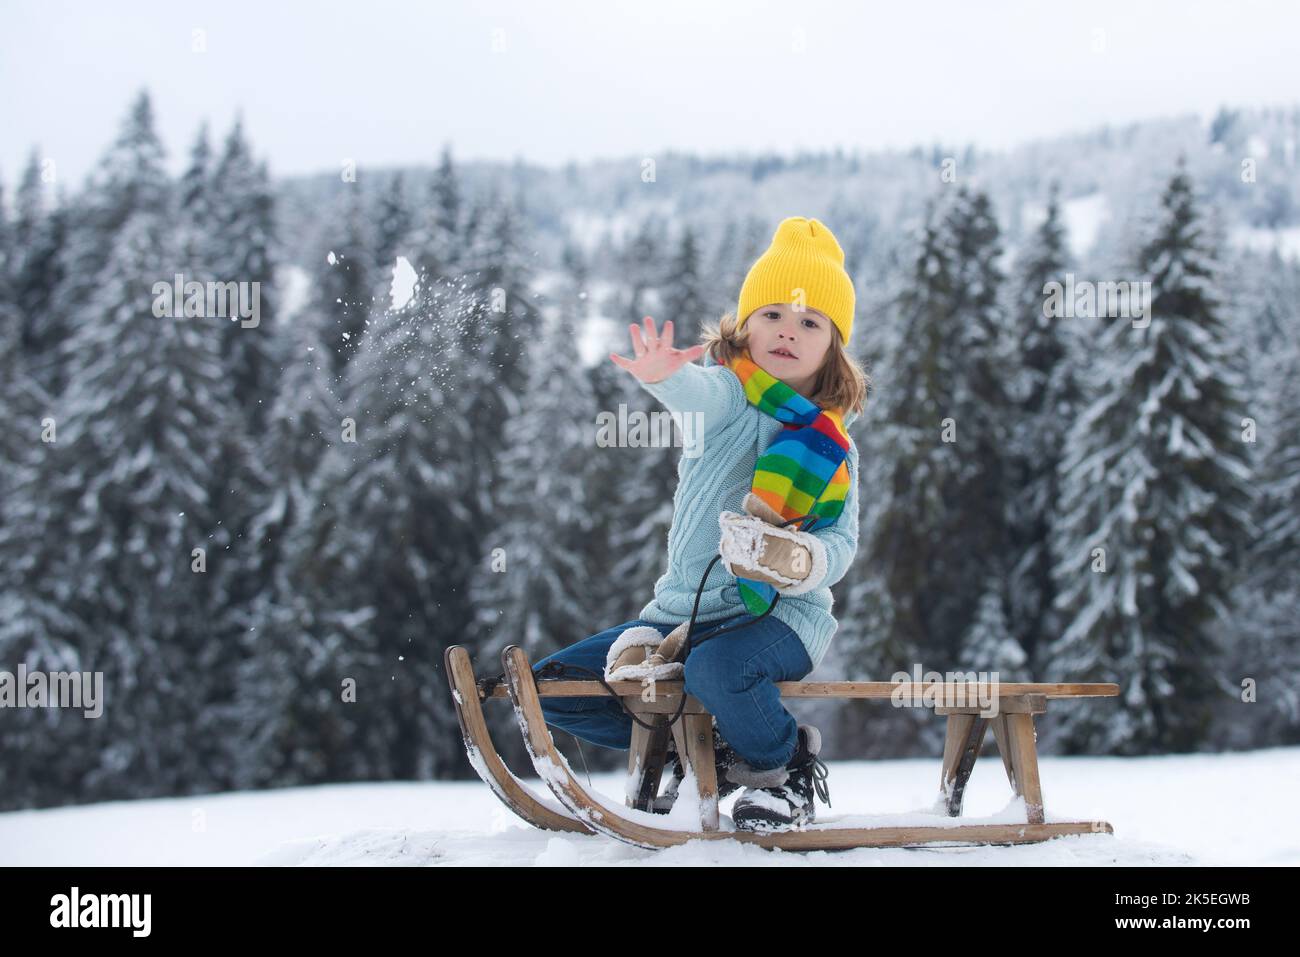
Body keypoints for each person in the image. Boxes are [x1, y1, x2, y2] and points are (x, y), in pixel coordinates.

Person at [534, 216, 869, 831]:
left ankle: (784, 769)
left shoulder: (830, 446)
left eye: (808, 322)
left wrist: (798, 562)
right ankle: (700, 750)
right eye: (771, 315)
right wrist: (665, 375)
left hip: (778, 619)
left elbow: (841, 544)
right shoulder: (728, 396)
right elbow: (696, 393)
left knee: (715, 669)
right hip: (681, 614)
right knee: (557, 685)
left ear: (832, 345)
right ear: (744, 326)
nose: (787, 332)